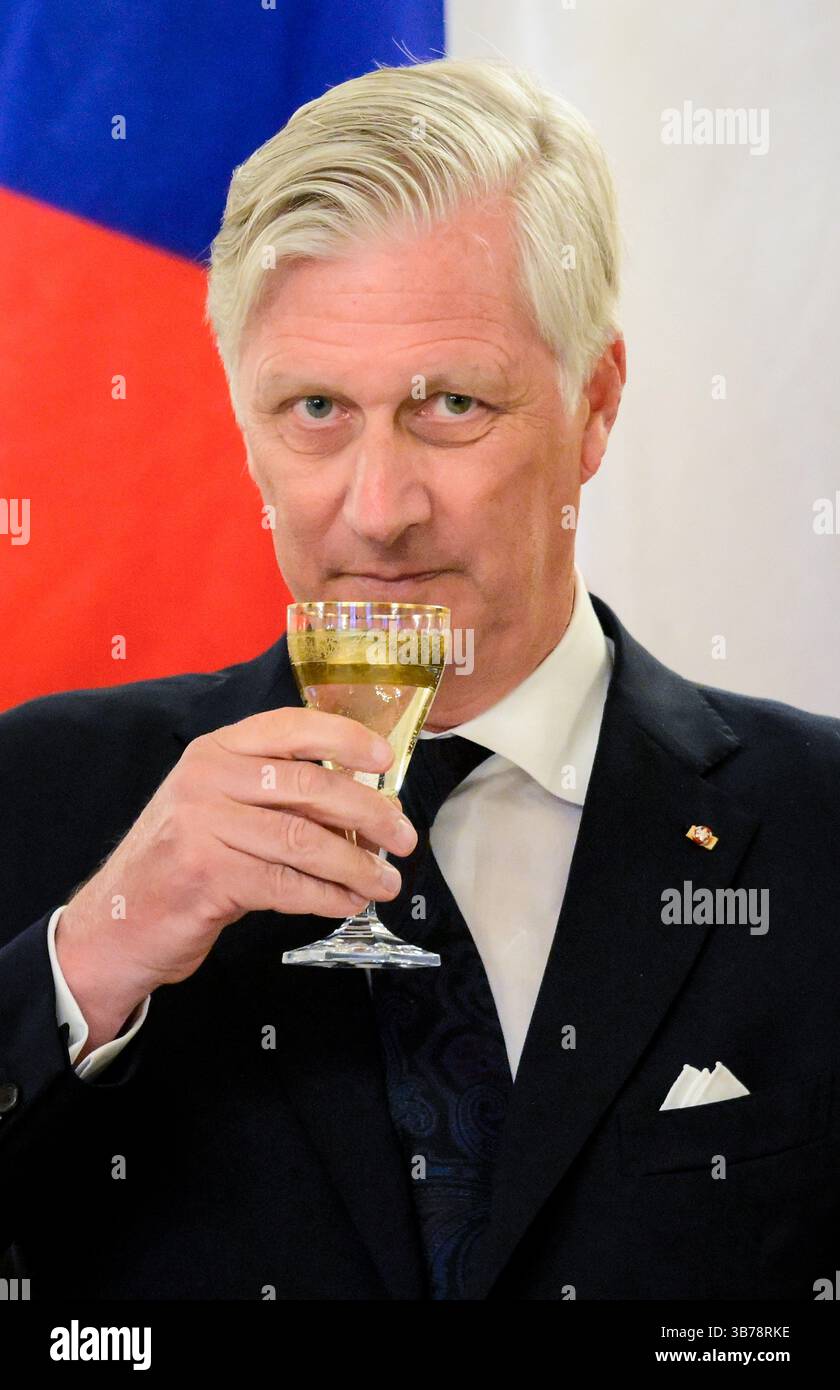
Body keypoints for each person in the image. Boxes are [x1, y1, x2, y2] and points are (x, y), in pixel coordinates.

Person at [1, 56, 838, 1302]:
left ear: (594, 404)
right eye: (317, 408)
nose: (379, 511)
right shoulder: (43, 788)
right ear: (245, 430)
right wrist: (94, 953)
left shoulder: (819, 825)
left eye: (452, 404)